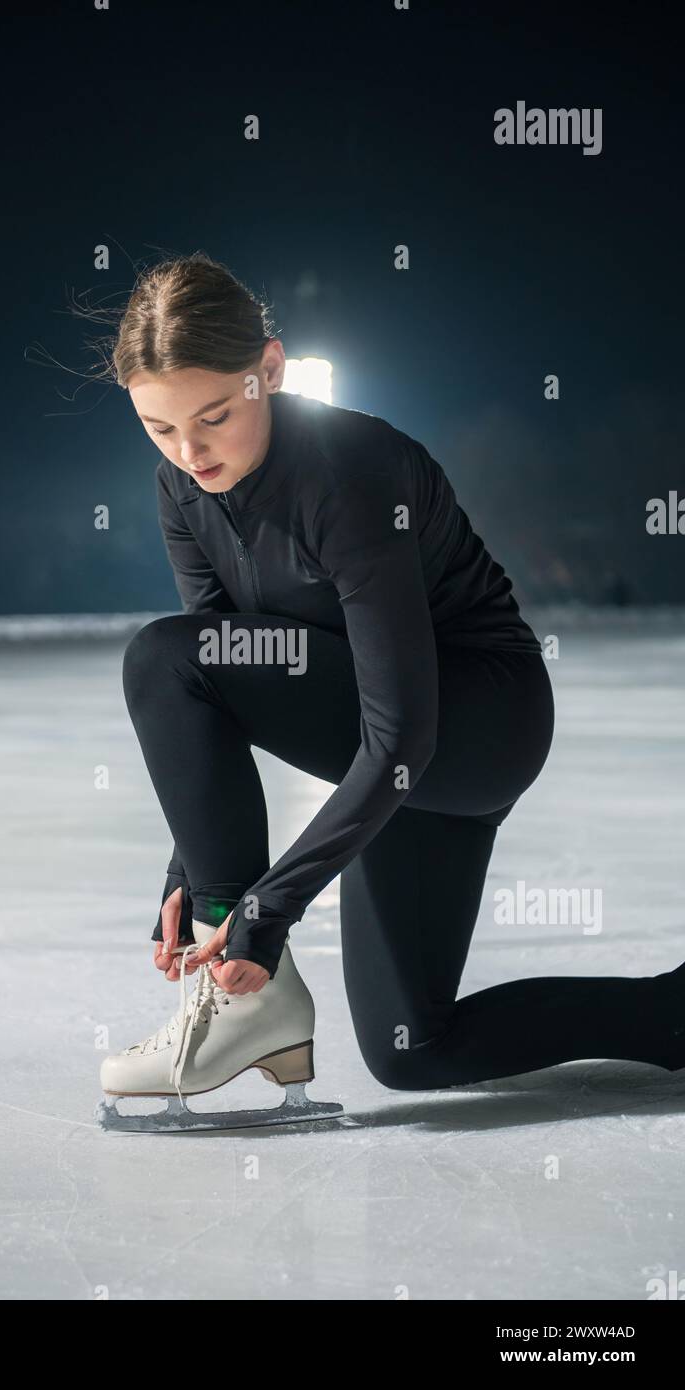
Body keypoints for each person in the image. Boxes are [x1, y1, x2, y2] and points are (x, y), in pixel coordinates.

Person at [105, 251, 685, 1092]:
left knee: (155, 656)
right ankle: (671, 1017)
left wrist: (263, 911)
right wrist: (188, 872)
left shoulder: (349, 471)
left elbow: (399, 730)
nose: (190, 451)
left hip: (476, 722)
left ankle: (248, 1009)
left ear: (269, 368)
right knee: (413, 1048)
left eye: (216, 415)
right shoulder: (182, 489)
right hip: (383, 733)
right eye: (160, 428)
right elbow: (214, 690)